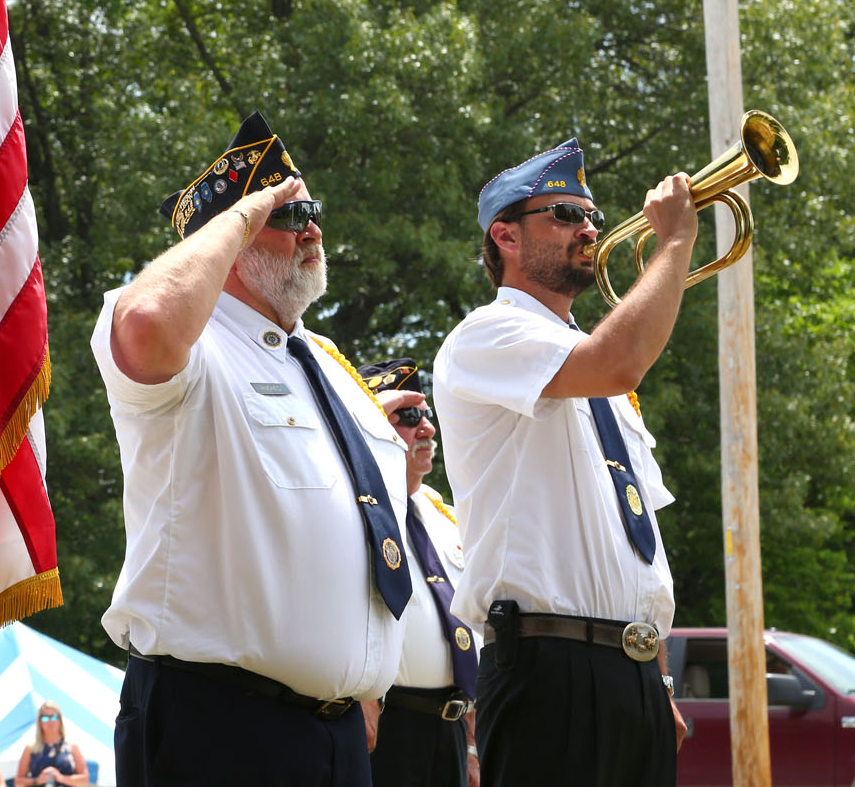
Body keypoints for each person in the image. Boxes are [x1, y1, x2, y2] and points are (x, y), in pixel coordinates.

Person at [93, 112, 420, 787]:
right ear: (229, 238)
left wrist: (362, 682)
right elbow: (151, 322)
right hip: (219, 725)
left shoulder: (327, 363)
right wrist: (247, 210)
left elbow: (365, 524)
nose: (311, 229)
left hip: (336, 736)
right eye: (286, 214)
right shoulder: (196, 346)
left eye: (311, 210)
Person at [431, 138, 690, 786]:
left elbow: (632, 536)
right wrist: (676, 244)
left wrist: (654, 673)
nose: (591, 229)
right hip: (548, 664)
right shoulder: (487, 334)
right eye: (565, 215)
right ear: (506, 237)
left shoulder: (583, 355)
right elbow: (618, 361)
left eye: (591, 215)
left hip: (630, 666)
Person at [357, 359, 480, 787]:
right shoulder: (359, 510)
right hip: (388, 726)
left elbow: (469, 627)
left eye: (426, 415)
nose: (426, 429)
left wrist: (469, 742)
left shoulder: (442, 513)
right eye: (408, 416)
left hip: (450, 729)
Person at [15, 702, 88, 787]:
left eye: (54, 717)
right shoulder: (30, 748)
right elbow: (18, 782)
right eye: (45, 718)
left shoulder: (72, 747)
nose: (50, 721)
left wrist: (61, 778)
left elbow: (84, 780)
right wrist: (37, 780)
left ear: (60, 719)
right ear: (39, 721)